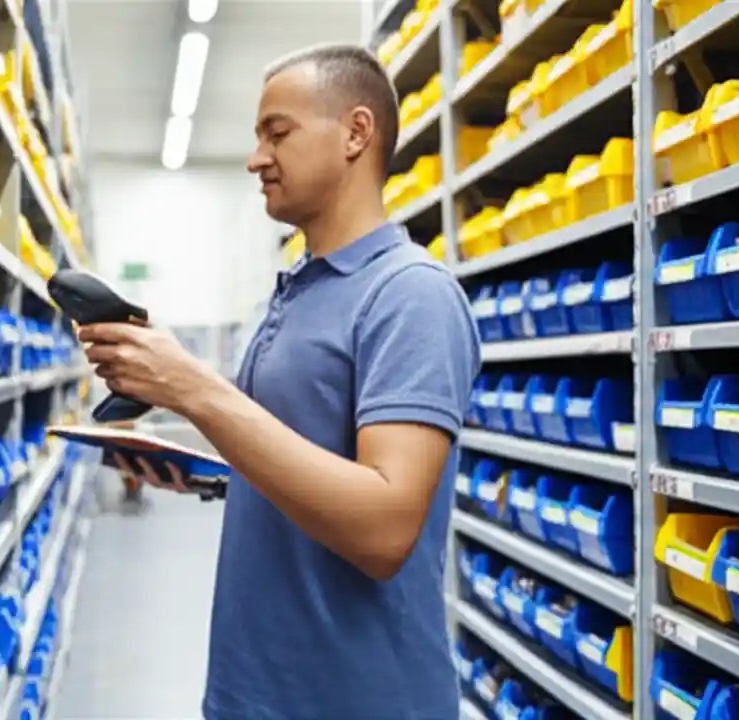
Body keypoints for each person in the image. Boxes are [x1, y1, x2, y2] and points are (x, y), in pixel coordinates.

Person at [77, 43, 480, 719]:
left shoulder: (411, 295)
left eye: (277, 133)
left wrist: (195, 390)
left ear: (356, 132)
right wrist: (210, 472)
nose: (255, 158)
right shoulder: (297, 290)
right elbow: (311, 461)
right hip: (254, 693)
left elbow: (384, 529)